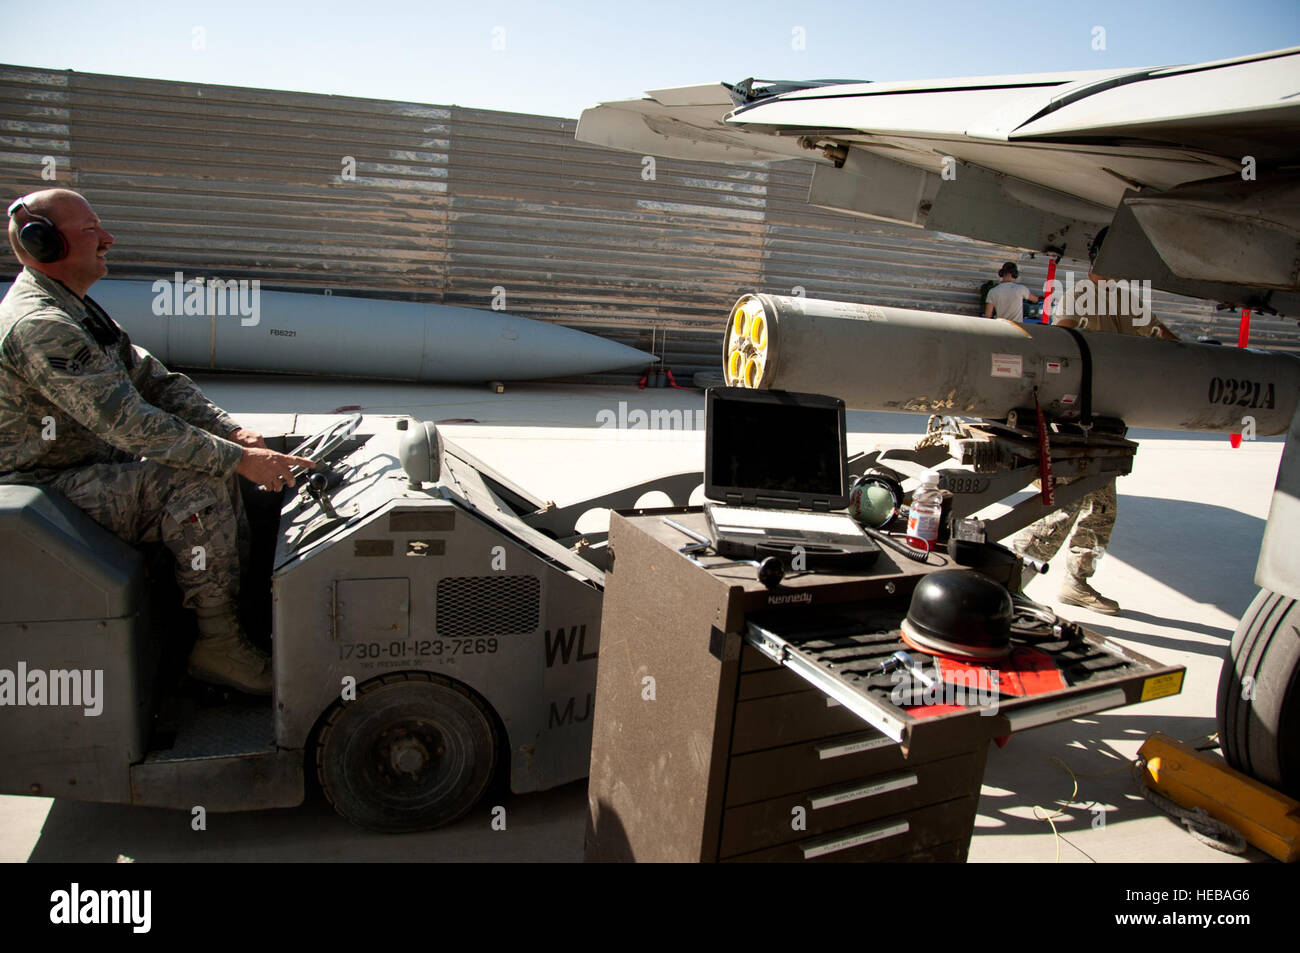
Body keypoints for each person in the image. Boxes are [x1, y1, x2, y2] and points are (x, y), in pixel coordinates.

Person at [0, 189, 314, 694]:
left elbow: (156, 382)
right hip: (44, 489)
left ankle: (242, 614)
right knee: (198, 486)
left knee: (220, 466)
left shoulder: (76, 311)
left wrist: (232, 433)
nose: (108, 239)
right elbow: (130, 423)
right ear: (46, 245)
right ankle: (218, 644)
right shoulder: (42, 325)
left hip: (84, 469)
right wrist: (236, 459)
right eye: (90, 232)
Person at [1012, 228, 1176, 615]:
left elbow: (1164, 338)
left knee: (1100, 511)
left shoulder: (1126, 299)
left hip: (1107, 423)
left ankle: (1076, 582)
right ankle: (1011, 578)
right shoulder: (1083, 294)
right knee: (1065, 504)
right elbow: (1060, 341)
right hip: (1076, 422)